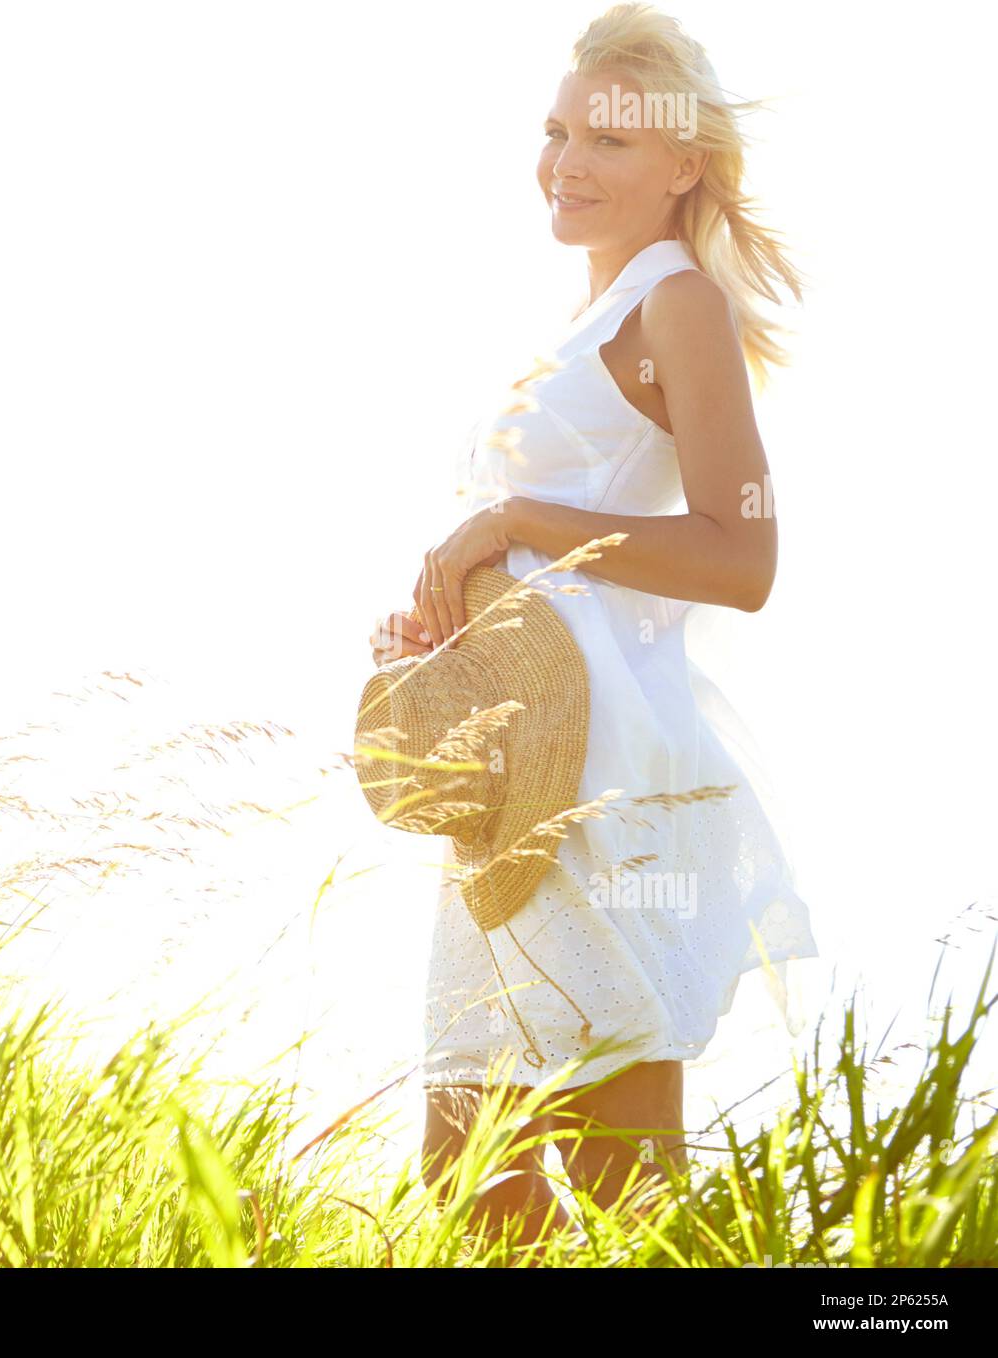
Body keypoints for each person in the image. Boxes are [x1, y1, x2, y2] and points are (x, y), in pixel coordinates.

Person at [368, 2, 819, 1244]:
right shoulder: (588, 317)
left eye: (609, 140)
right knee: (477, 1181)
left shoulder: (679, 308)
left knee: (604, 1179)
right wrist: (449, 621)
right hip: (526, 771)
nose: (567, 161)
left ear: (683, 165)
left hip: (605, 793)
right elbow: (554, 549)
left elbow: (746, 552)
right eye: (558, 129)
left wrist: (519, 516)